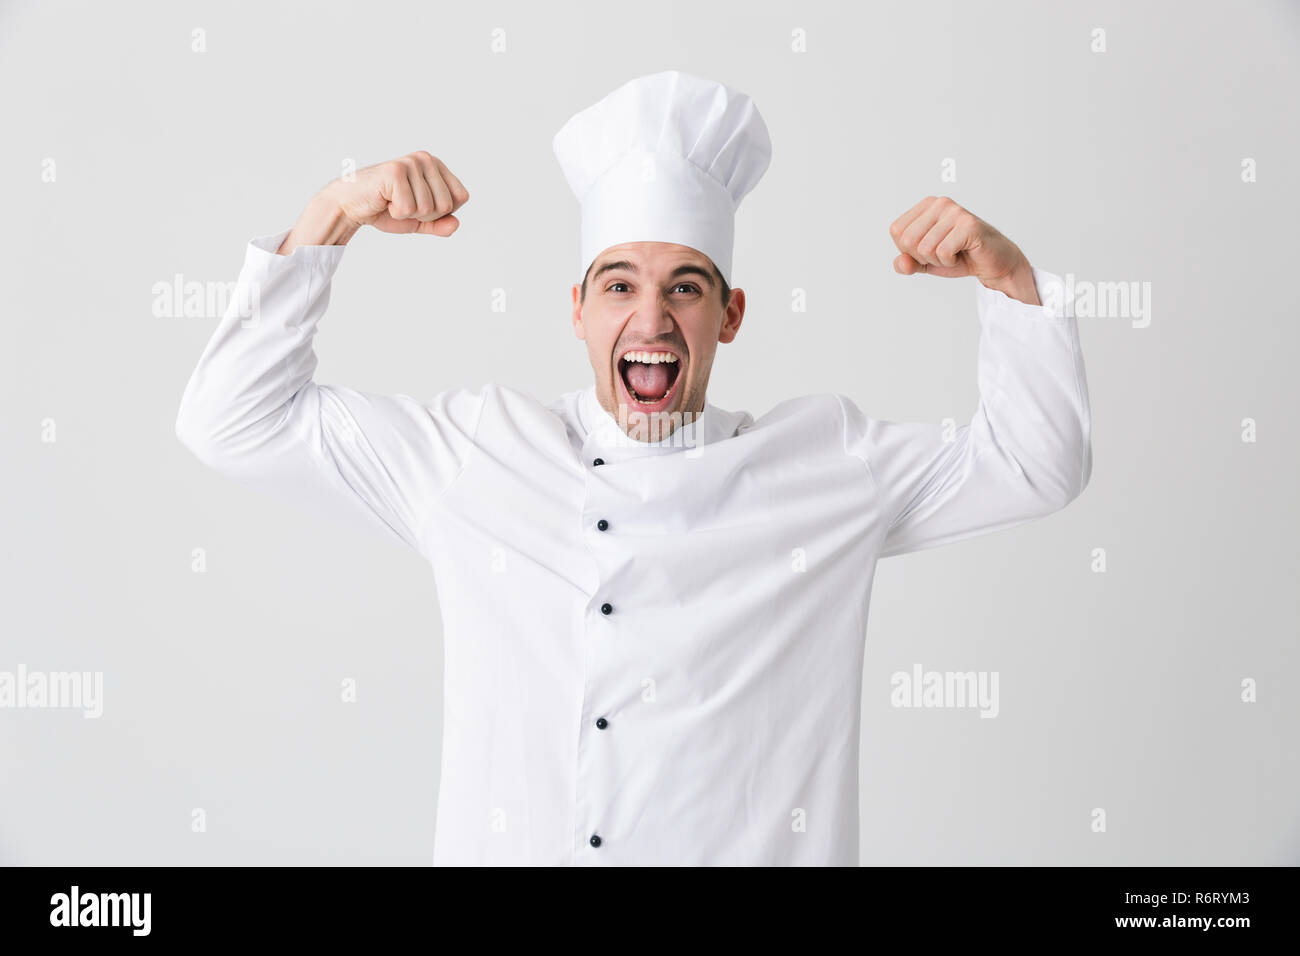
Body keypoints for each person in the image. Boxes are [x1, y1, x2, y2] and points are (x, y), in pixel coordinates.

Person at [175, 70, 1092, 866]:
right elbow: (231, 422)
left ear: (730, 316)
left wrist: (1010, 285)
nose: (650, 321)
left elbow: (1036, 463)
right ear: (577, 310)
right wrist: (330, 216)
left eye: (683, 288)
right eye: (619, 285)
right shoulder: (475, 453)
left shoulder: (825, 467)